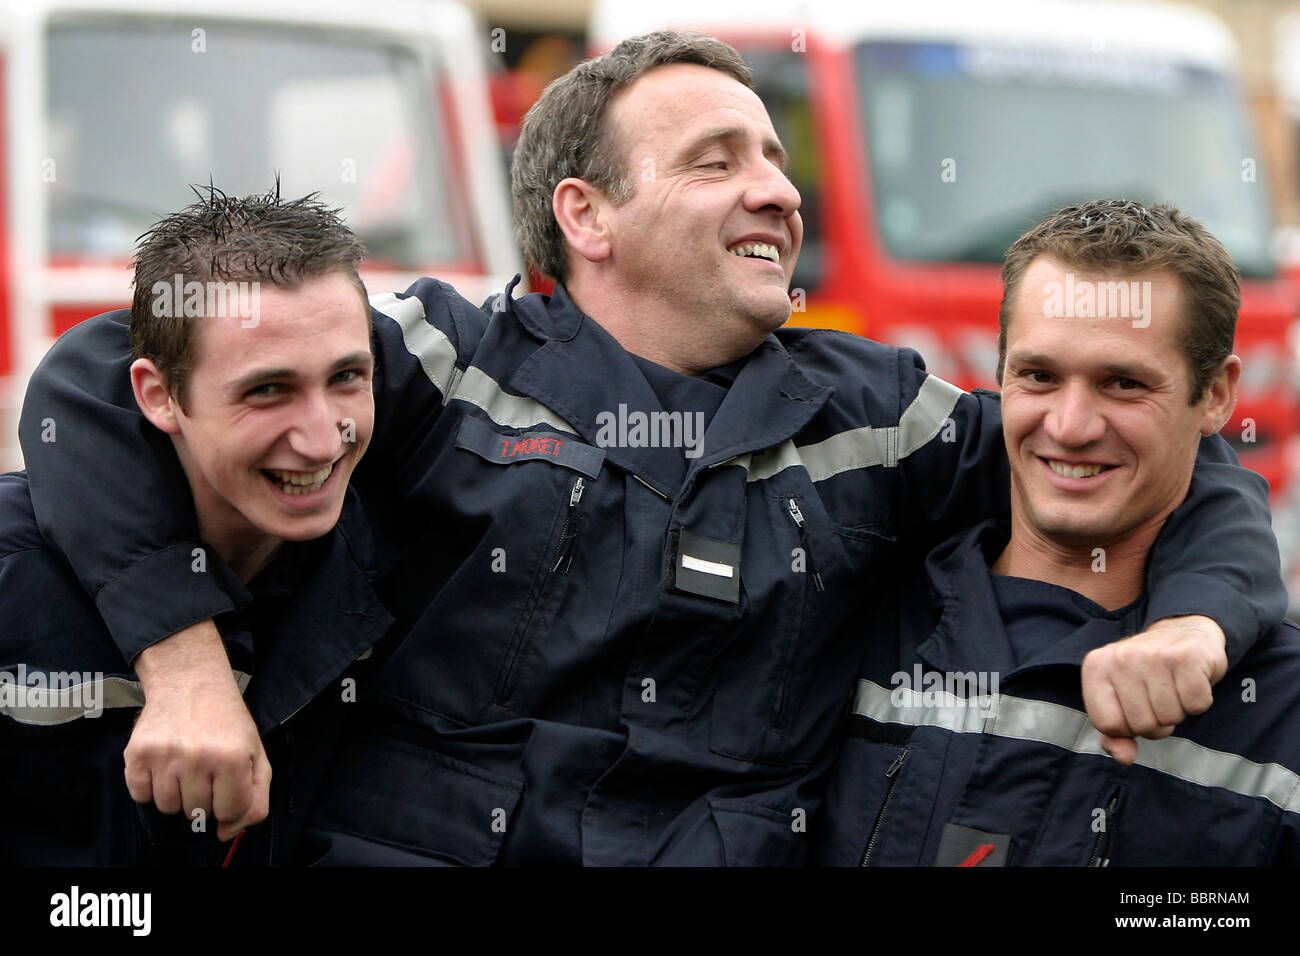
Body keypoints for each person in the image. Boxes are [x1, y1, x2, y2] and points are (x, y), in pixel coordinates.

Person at [17, 34, 1286, 865]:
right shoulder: (442, 363)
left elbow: (1163, 449)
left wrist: (1196, 622)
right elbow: (102, 379)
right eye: (717, 160)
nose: (778, 191)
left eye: (778, 163)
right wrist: (183, 663)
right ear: (587, 214)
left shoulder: (878, 418)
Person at [814, 199, 1300, 866]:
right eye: (1039, 376)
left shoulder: (1279, 710)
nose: (1070, 426)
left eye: (1123, 384)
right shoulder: (846, 616)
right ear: (1000, 373)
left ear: (1215, 395)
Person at [0, 187, 391, 863]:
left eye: (347, 377)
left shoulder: (402, 561)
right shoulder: (13, 578)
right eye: (268, 390)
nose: (325, 438)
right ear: (158, 395)